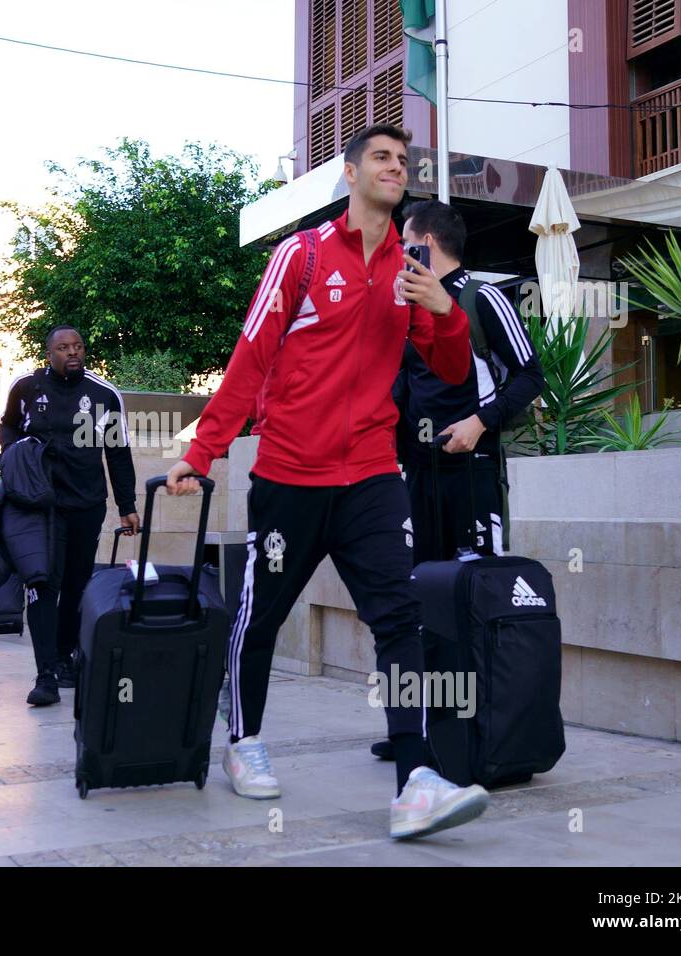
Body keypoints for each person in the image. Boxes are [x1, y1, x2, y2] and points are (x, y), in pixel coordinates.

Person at [165, 124, 492, 840]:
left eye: (404, 161)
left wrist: (446, 316)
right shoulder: (303, 255)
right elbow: (251, 357)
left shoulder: (413, 272)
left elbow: (450, 376)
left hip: (373, 472)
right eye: (381, 157)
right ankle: (244, 741)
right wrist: (203, 450)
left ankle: (416, 781)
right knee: (260, 616)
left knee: (400, 619)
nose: (395, 167)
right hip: (289, 471)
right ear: (349, 173)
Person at [369, 199, 545, 764]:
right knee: (416, 605)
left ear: (425, 241)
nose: (399, 253)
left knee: (478, 600)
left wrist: (477, 422)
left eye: (405, 243)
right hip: (416, 480)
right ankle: (419, 735)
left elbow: (529, 378)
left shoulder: (483, 297)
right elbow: (397, 391)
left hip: (472, 478)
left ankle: (488, 731)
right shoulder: (406, 310)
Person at [0, 326, 139, 707]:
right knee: (44, 584)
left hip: (86, 504)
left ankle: (65, 658)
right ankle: (45, 675)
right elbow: (8, 424)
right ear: (50, 354)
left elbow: (119, 452)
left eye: (77, 346)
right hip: (39, 506)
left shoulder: (104, 394)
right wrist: (13, 455)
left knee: (76, 586)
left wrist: (127, 506)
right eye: (63, 348)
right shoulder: (26, 387)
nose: (72, 352)